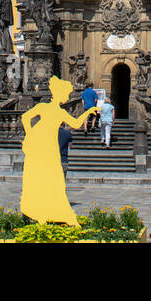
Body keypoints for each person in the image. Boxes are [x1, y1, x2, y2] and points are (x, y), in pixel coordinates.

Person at [18, 76, 97, 224]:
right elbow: (25, 117)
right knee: (45, 178)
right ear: (59, 94)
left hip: (51, 147)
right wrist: (30, 136)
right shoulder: (44, 107)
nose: (67, 97)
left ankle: (50, 214)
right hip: (42, 145)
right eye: (66, 94)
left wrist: (89, 111)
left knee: (54, 180)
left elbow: (75, 123)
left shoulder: (59, 111)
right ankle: (43, 214)